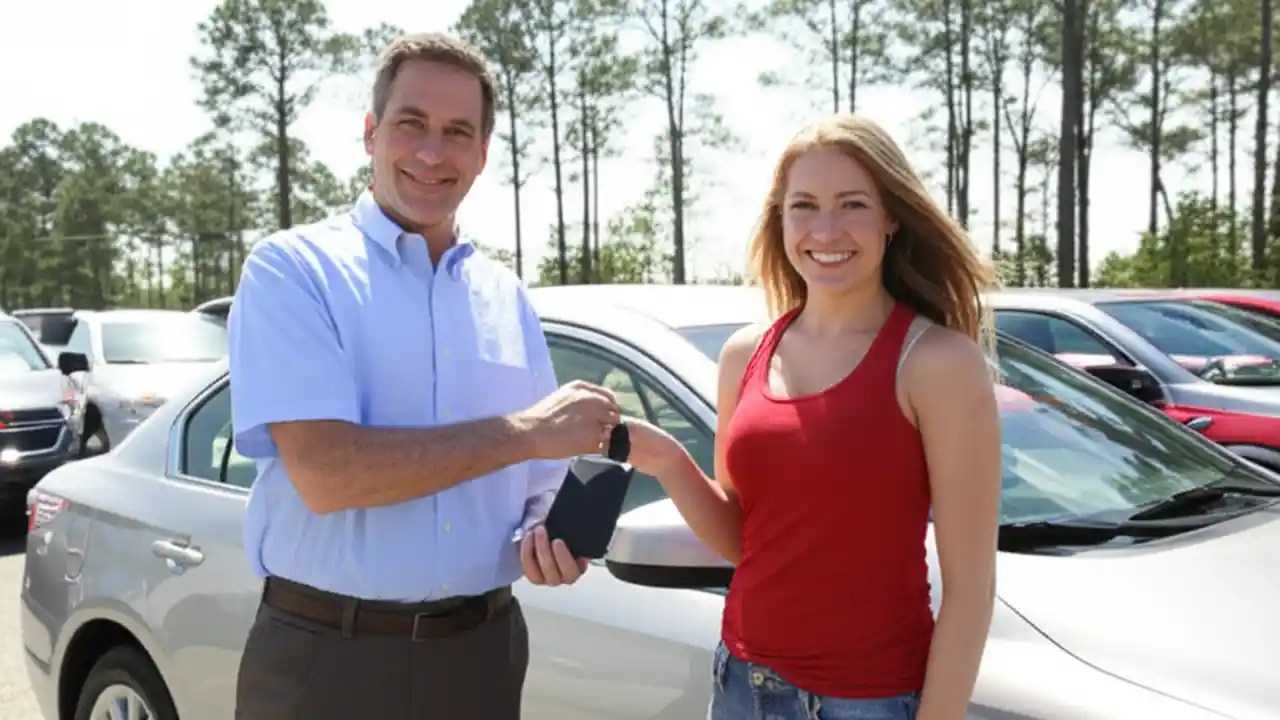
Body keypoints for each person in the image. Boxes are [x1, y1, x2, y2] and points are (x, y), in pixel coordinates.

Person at [226, 32, 619, 720]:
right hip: (326, 661)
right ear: (371, 133)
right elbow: (327, 473)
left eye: (457, 132)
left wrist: (545, 536)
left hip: (481, 653)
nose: (433, 153)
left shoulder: (506, 296)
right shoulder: (294, 270)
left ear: (482, 154)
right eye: (412, 124)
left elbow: (539, 478)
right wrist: (526, 432)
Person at [623, 114, 1002, 720]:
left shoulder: (936, 362)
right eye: (804, 205)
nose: (826, 229)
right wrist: (669, 461)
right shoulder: (744, 355)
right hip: (740, 686)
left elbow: (971, 589)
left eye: (852, 204)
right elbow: (749, 543)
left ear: (891, 218)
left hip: (868, 701)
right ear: (781, 218)